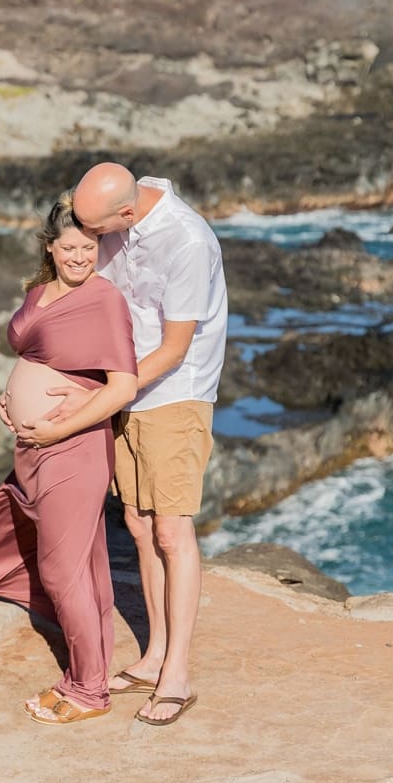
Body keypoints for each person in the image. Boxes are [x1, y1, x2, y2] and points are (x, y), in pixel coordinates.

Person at [0, 192, 137, 725]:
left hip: (74, 447)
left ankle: (88, 691)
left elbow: (122, 386)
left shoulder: (103, 300)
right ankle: (89, 672)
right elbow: (37, 356)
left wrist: (56, 428)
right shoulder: (38, 292)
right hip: (35, 448)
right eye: (69, 247)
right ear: (50, 247)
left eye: (89, 247)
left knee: (60, 570)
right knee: (82, 567)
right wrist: (10, 397)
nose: (80, 257)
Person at [70, 162, 228, 726]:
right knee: (138, 524)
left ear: (126, 212)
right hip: (130, 393)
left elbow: (175, 349)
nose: (90, 238)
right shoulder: (120, 220)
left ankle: (177, 673)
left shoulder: (187, 241)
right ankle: (155, 654)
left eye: (95, 230)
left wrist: (106, 396)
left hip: (176, 395)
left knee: (171, 531)